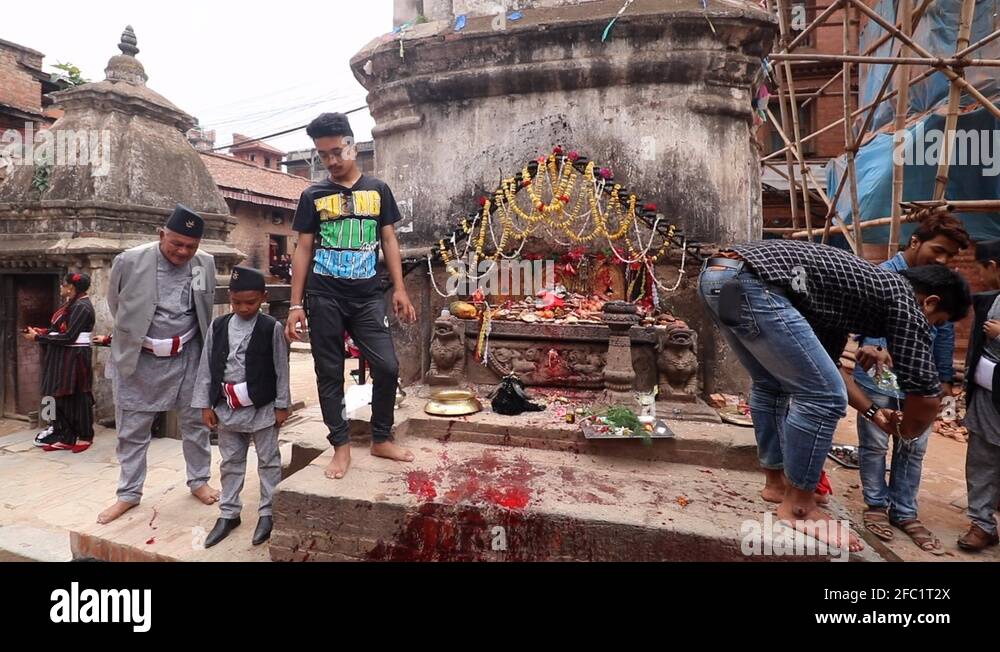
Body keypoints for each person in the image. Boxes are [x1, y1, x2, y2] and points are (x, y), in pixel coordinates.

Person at [698, 239, 971, 552]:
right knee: (822, 397)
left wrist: (876, 415)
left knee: (771, 382)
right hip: (751, 283)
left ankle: (776, 485)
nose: (930, 328)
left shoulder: (845, 299)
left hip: (719, 277)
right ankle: (798, 507)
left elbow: (831, 369)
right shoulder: (904, 298)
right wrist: (905, 430)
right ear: (931, 303)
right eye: (936, 323)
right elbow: (925, 393)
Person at [286, 112, 417, 480]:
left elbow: (389, 239)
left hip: (367, 297)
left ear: (352, 146)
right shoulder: (313, 195)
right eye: (323, 155)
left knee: (388, 365)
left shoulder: (377, 190)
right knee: (328, 373)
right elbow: (303, 248)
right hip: (323, 295)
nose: (331, 160)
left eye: (336, 151)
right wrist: (296, 305)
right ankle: (340, 447)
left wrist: (399, 289)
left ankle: (380, 437)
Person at [851, 213, 970, 554]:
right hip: (878, 375)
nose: (943, 259)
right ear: (915, 241)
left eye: (950, 255)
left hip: (919, 380)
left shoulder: (943, 285)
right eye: (939, 250)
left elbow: (944, 331)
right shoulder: (882, 276)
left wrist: (944, 379)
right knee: (874, 441)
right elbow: (866, 326)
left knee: (913, 448)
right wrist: (876, 349)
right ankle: (876, 504)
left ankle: (904, 511)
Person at [97, 204, 220, 525]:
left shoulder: (204, 263)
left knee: (196, 424)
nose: (183, 251)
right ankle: (128, 494)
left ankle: (199, 481)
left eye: (191, 246)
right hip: (140, 360)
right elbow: (116, 303)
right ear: (161, 234)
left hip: (189, 357)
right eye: (176, 243)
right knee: (132, 431)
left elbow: (203, 309)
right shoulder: (129, 261)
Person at [192, 266, 290, 547]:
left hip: (262, 408)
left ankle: (268, 512)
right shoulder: (218, 326)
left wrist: (282, 405)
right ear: (229, 298)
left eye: (251, 302)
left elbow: (281, 368)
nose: (244, 308)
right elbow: (207, 366)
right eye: (237, 302)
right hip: (227, 408)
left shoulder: (271, 327)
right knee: (231, 462)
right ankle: (229, 512)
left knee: (268, 461)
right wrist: (205, 403)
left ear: (263, 297)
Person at [958, 239, 1000, 551]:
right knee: (982, 458)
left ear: (994, 267)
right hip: (987, 397)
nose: (979, 277)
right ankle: (982, 523)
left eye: (981, 269)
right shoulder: (987, 301)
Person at [26, 272, 96, 452]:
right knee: (59, 395)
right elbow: (59, 330)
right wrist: (42, 332)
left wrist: (39, 339)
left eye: (63, 284)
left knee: (79, 395)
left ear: (71, 287)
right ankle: (66, 436)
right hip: (62, 356)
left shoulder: (82, 307)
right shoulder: (70, 304)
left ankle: (85, 436)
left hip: (75, 356)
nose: (60, 287)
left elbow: (70, 336)